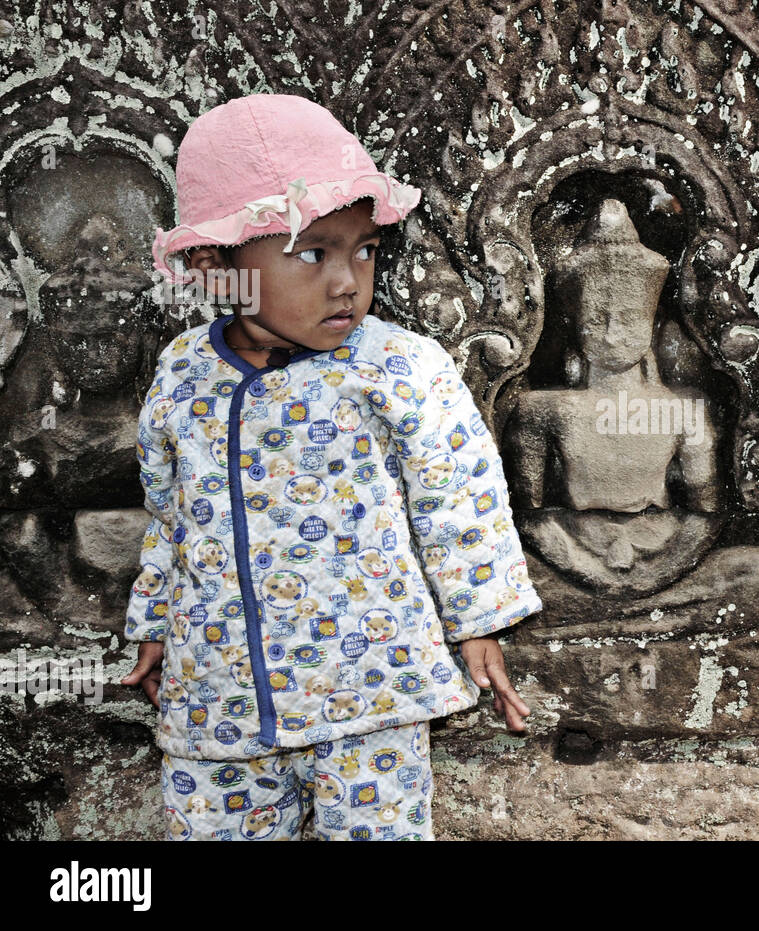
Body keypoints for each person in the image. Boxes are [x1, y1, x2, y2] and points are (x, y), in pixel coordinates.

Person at [120, 93, 544, 840]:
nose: (348, 279)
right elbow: (171, 514)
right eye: (314, 252)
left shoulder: (397, 367)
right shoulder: (183, 375)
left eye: (365, 250)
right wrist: (155, 621)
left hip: (368, 689)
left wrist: (478, 622)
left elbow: (459, 490)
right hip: (219, 696)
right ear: (219, 267)